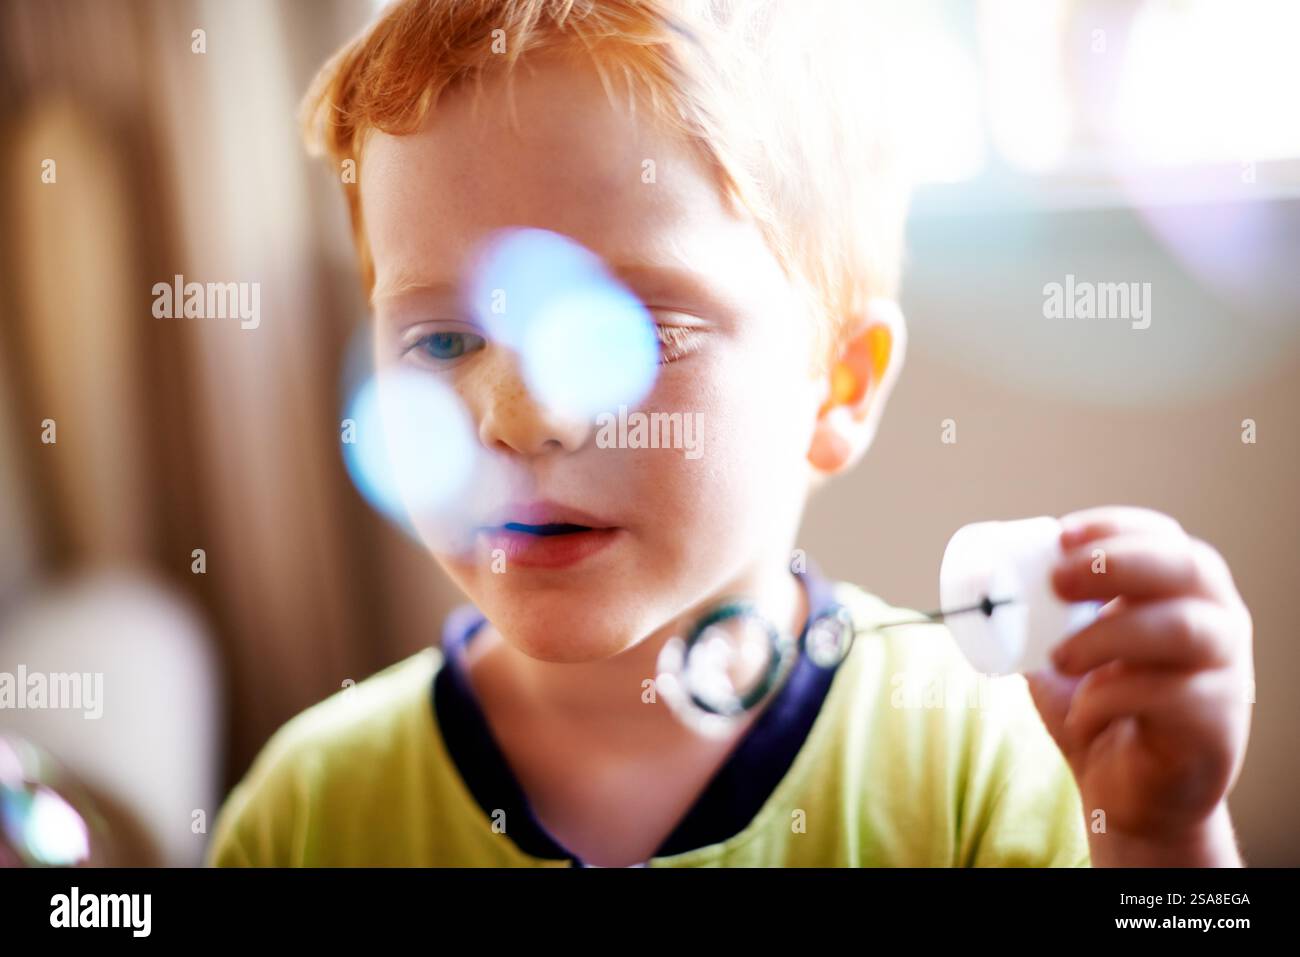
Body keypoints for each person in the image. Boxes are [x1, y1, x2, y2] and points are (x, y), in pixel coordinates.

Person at [208, 0, 1253, 867]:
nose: (515, 417)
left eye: (637, 332)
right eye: (441, 343)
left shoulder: (976, 761)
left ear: (836, 388)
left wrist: (1164, 839)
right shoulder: (307, 812)